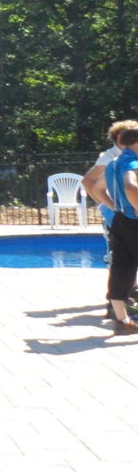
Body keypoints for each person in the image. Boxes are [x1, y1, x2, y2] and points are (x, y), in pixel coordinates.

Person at [101, 124, 138, 334]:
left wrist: (113, 205)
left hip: (119, 220)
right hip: (134, 220)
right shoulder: (132, 160)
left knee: (121, 268)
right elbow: (131, 185)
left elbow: (95, 187)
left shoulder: (112, 163)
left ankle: (123, 321)